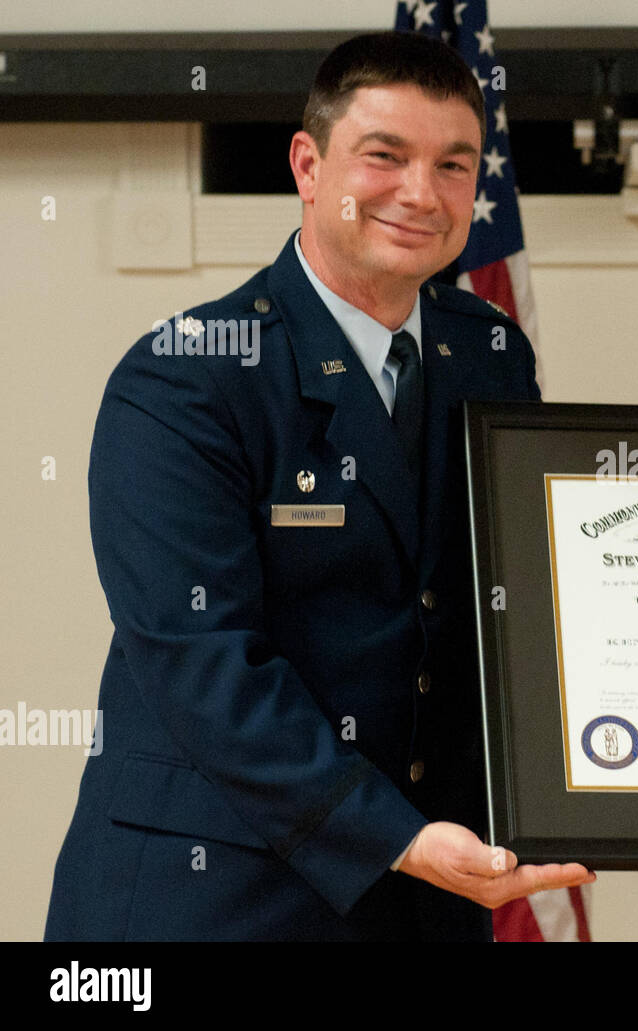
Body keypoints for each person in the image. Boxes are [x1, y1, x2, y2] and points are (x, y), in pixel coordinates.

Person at [45, 31, 592, 942]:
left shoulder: (489, 355)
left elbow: (532, 585)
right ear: (308, 164)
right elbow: (203, 661)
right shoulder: (187, 377)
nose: (421, 192)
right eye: (386, 156)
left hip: (426, 898)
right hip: (214, 898)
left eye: (455, 164)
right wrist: (400, 839)